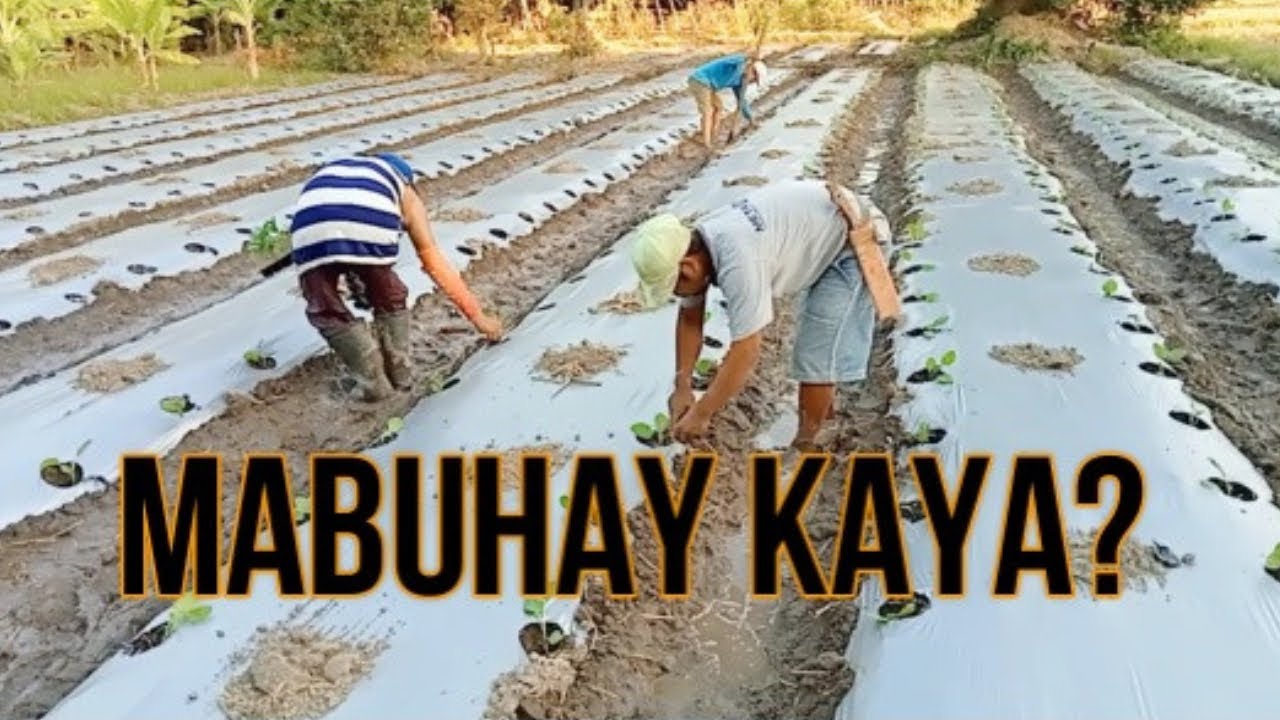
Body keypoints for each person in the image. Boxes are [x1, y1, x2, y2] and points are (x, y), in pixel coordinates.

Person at [629, 178, 899, 450]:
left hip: (853, 238)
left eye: (676, 286)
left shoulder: (739, 260)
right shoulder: (700, 242)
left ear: (688, 267)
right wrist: (682, 386)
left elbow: (746, 351)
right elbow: (690, 318)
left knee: (815, 355)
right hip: (824, 221)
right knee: (815, 345)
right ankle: (822, 423)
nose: (679, 294)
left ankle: (809, 442)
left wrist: (702, 413)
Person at [289, 152, 504, 402]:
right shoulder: (404, 189)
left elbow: (330, 228)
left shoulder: (329, 175)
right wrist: (479, 318)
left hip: (309, 225)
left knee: (326, 307)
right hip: (371, 222)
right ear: (409, 181)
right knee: (387, 293)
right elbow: (433, 260)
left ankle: (372, 383)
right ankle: (400, 373)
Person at [687, 53, 767, 152]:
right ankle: (707, 144)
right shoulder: (736, 66)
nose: (752, 82)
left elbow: (742, 101)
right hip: (699, 80)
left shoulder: (739, 82)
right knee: (707, 112)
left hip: (710, 86)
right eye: (754, 79)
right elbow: (731, 60)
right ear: (752, 71)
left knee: (718, 108)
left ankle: (713, 136)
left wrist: (751, 120)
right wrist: (748, 57)